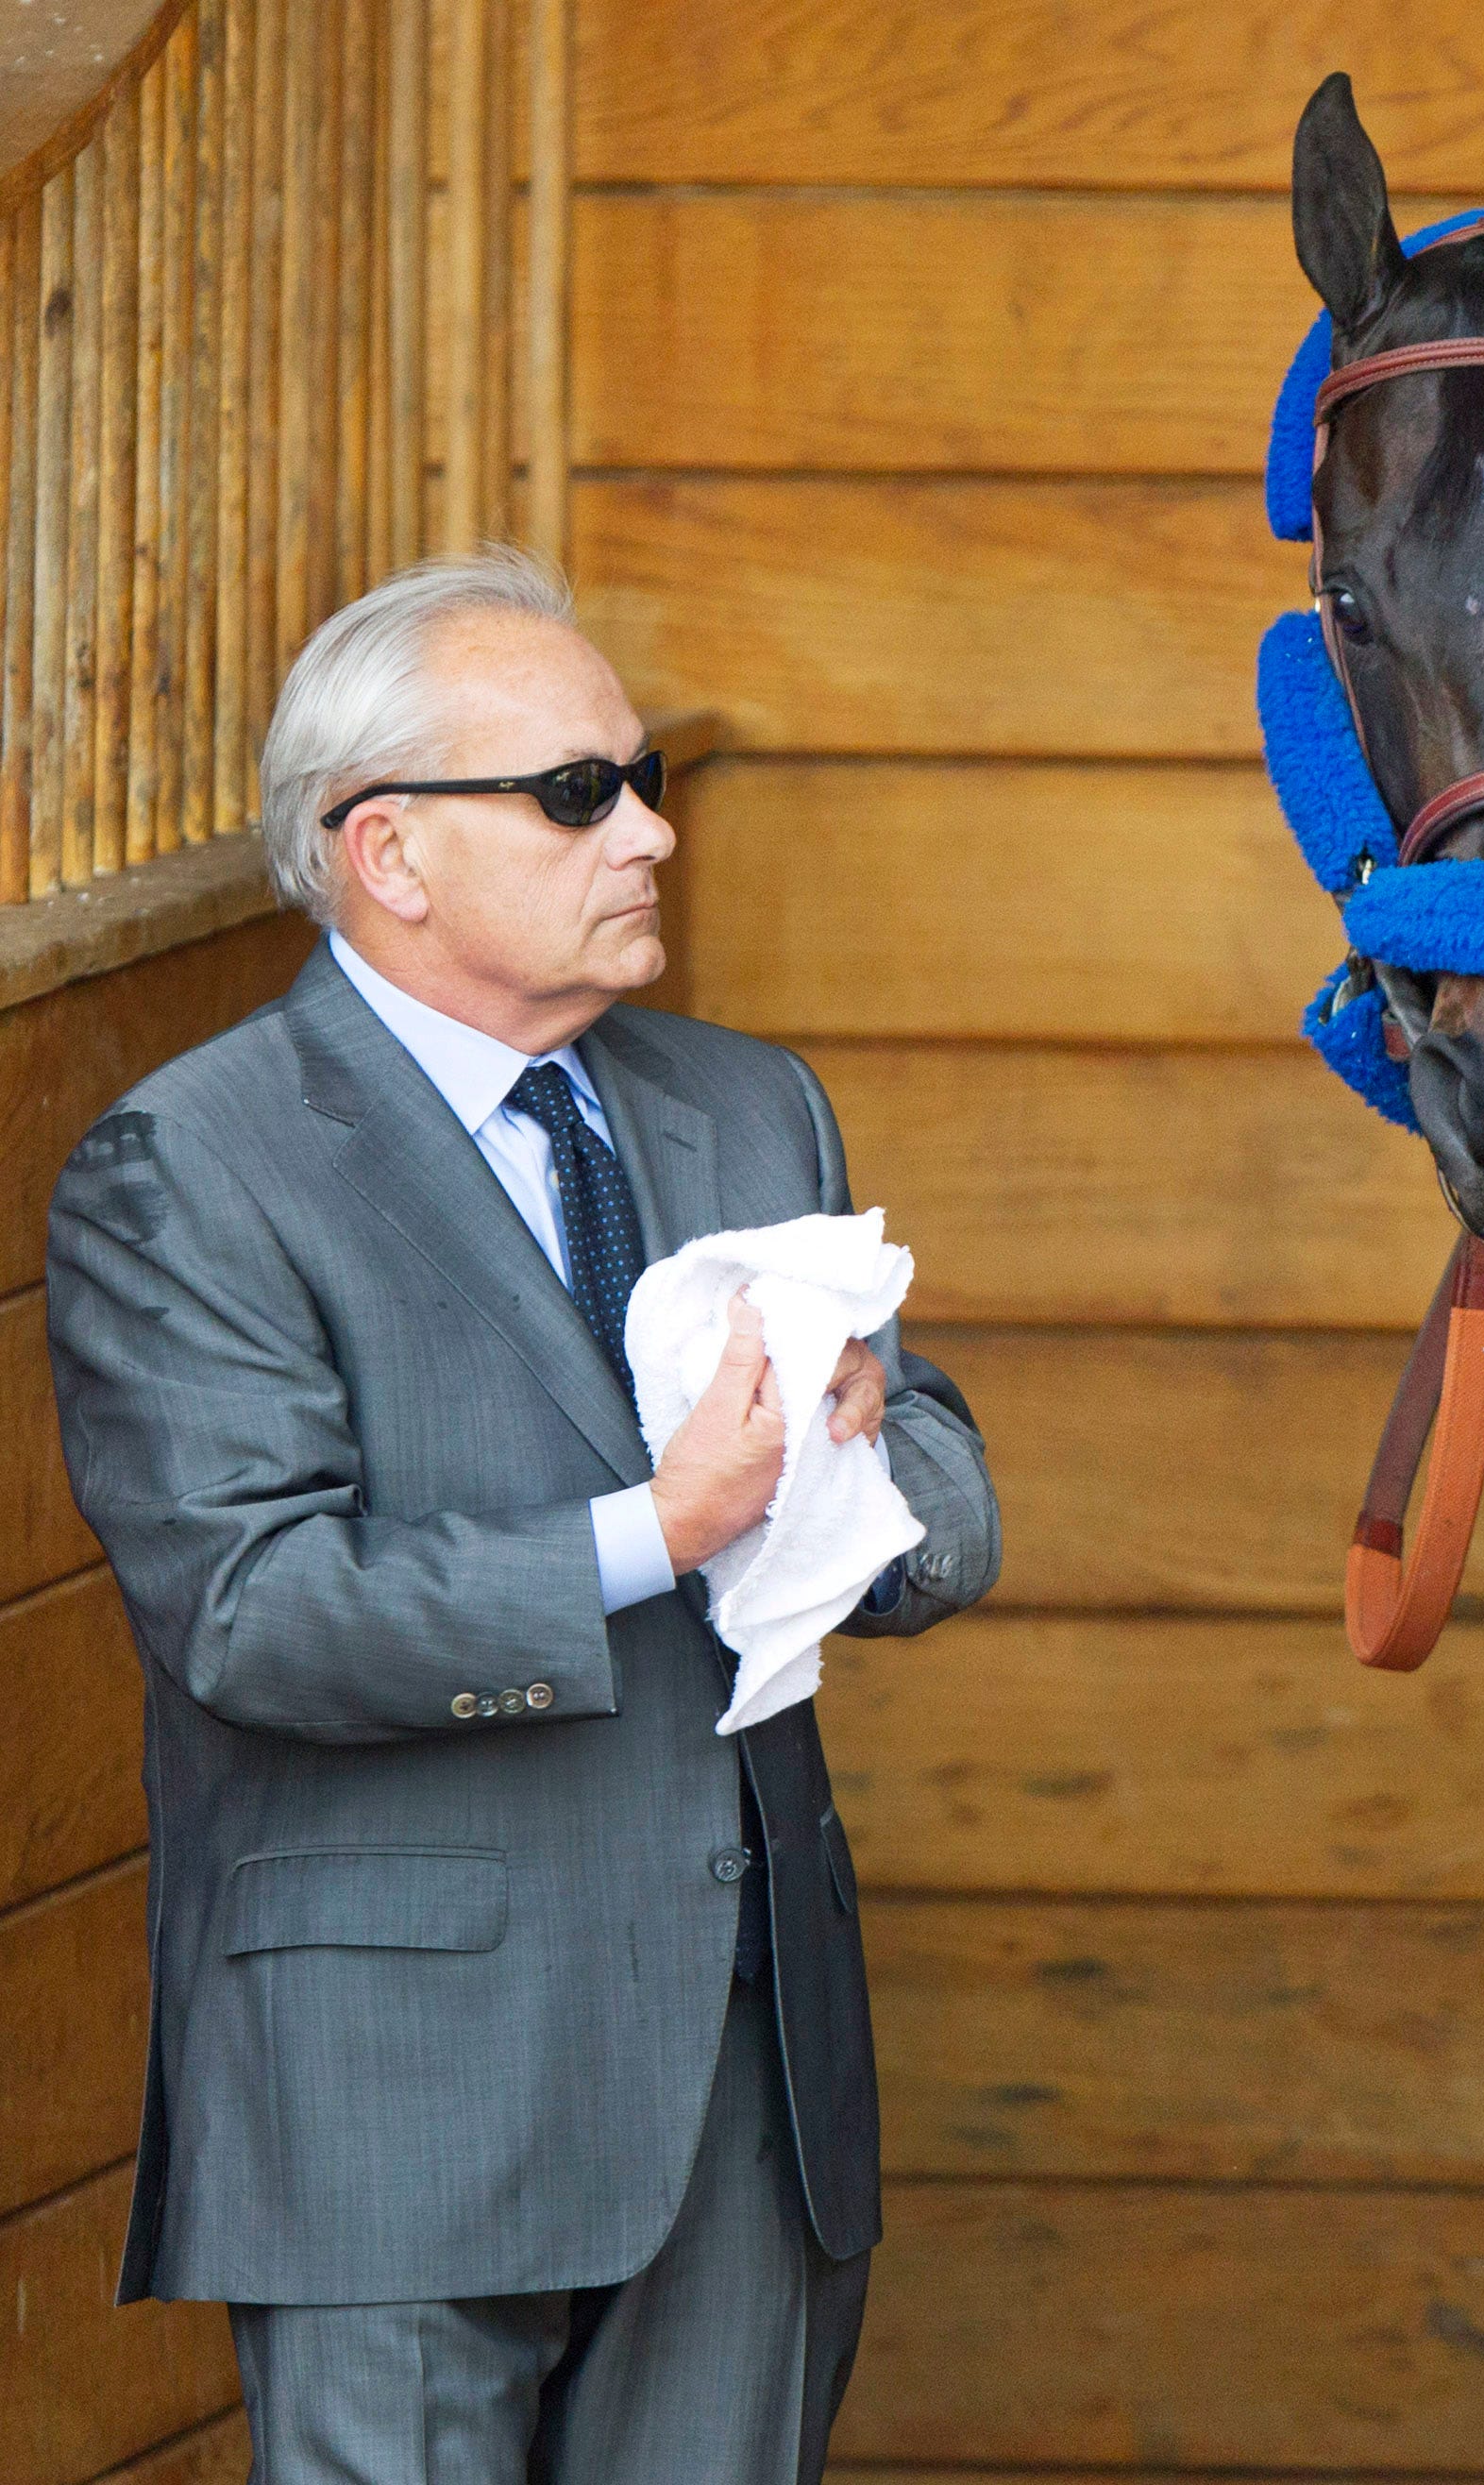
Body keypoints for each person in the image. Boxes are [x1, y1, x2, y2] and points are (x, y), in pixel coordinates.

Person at [46, 547, 1000, 2483]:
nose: (647, 828)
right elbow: (254, 1605)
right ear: (385, 849)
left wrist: (862, 1466)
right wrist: (663, 1524)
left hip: (748, 2086)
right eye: (580, 791)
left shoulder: (751, 1103)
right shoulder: (190, 1167)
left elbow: (939, 1466)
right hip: (398, 2097)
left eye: (641, 776)